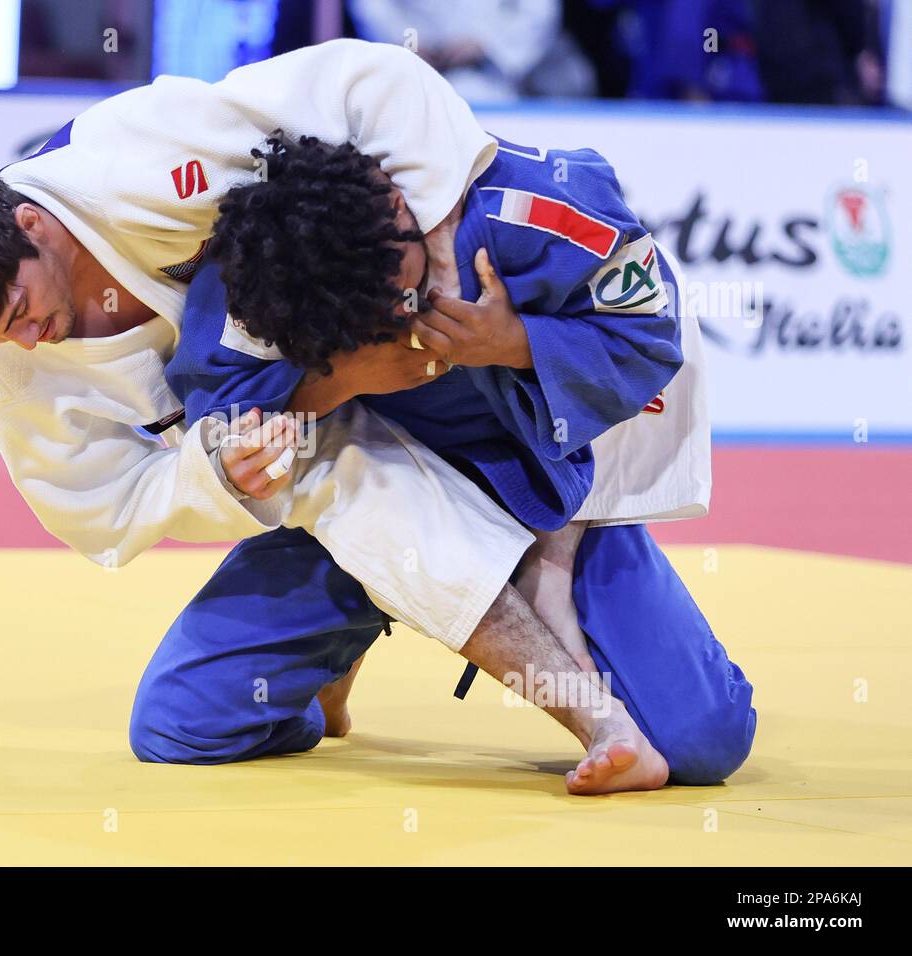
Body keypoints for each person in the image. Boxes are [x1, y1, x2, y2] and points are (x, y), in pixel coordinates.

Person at [154, 133, 754, 791]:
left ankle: (516, 589)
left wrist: (516, 344)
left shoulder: (532, 205)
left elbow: (649, 334)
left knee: (703, 744)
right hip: (370, 492)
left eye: (410, 284)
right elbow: (229, 425)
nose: (411, 313)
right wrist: (347, 379)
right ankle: (361, 622)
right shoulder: (256, 276)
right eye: (373, 319)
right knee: (180, 725)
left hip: (535, 483)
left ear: (401, 208)